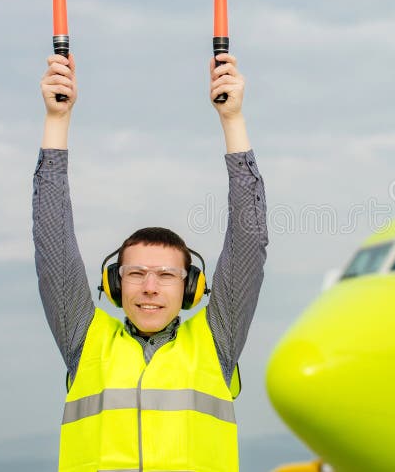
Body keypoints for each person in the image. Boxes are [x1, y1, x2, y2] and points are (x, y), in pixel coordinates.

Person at [33, 51, 267, 471]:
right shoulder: (86, 342)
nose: (151, 288)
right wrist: (57, 121)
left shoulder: (216, 343)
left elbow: (248, 240)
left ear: (190, 286)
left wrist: (233, 121)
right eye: (136, 273)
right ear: (115, 284)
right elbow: (53, 248)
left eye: (166, 275)